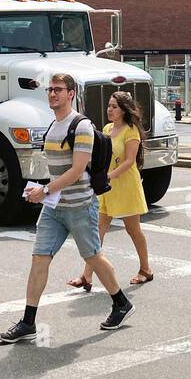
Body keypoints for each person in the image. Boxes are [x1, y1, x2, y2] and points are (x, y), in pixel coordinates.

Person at [0, 73, 133, 344]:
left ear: (71, 94)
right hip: (54, 208)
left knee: (93, 256)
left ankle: (120, 302)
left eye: (58, 90)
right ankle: (28, 322)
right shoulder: (52, 126)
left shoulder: (80, 126)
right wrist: (39, 189)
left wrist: (46, 190)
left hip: (81, 206)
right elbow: (57, 169)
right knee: (39, 258)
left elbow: (78, 169)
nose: (52, 94)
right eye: (50, 90)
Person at [68, 91, 152, 291]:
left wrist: (109, 175)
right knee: (97, 231)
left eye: (114, 106)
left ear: (124, 110)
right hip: (107, 188)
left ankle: (146, 269)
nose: (110, 110)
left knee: (133, 230)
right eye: (109, 106)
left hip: (126, 187)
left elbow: (129, 161)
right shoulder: (107, 128)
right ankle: (86, 276)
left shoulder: (131, 131)